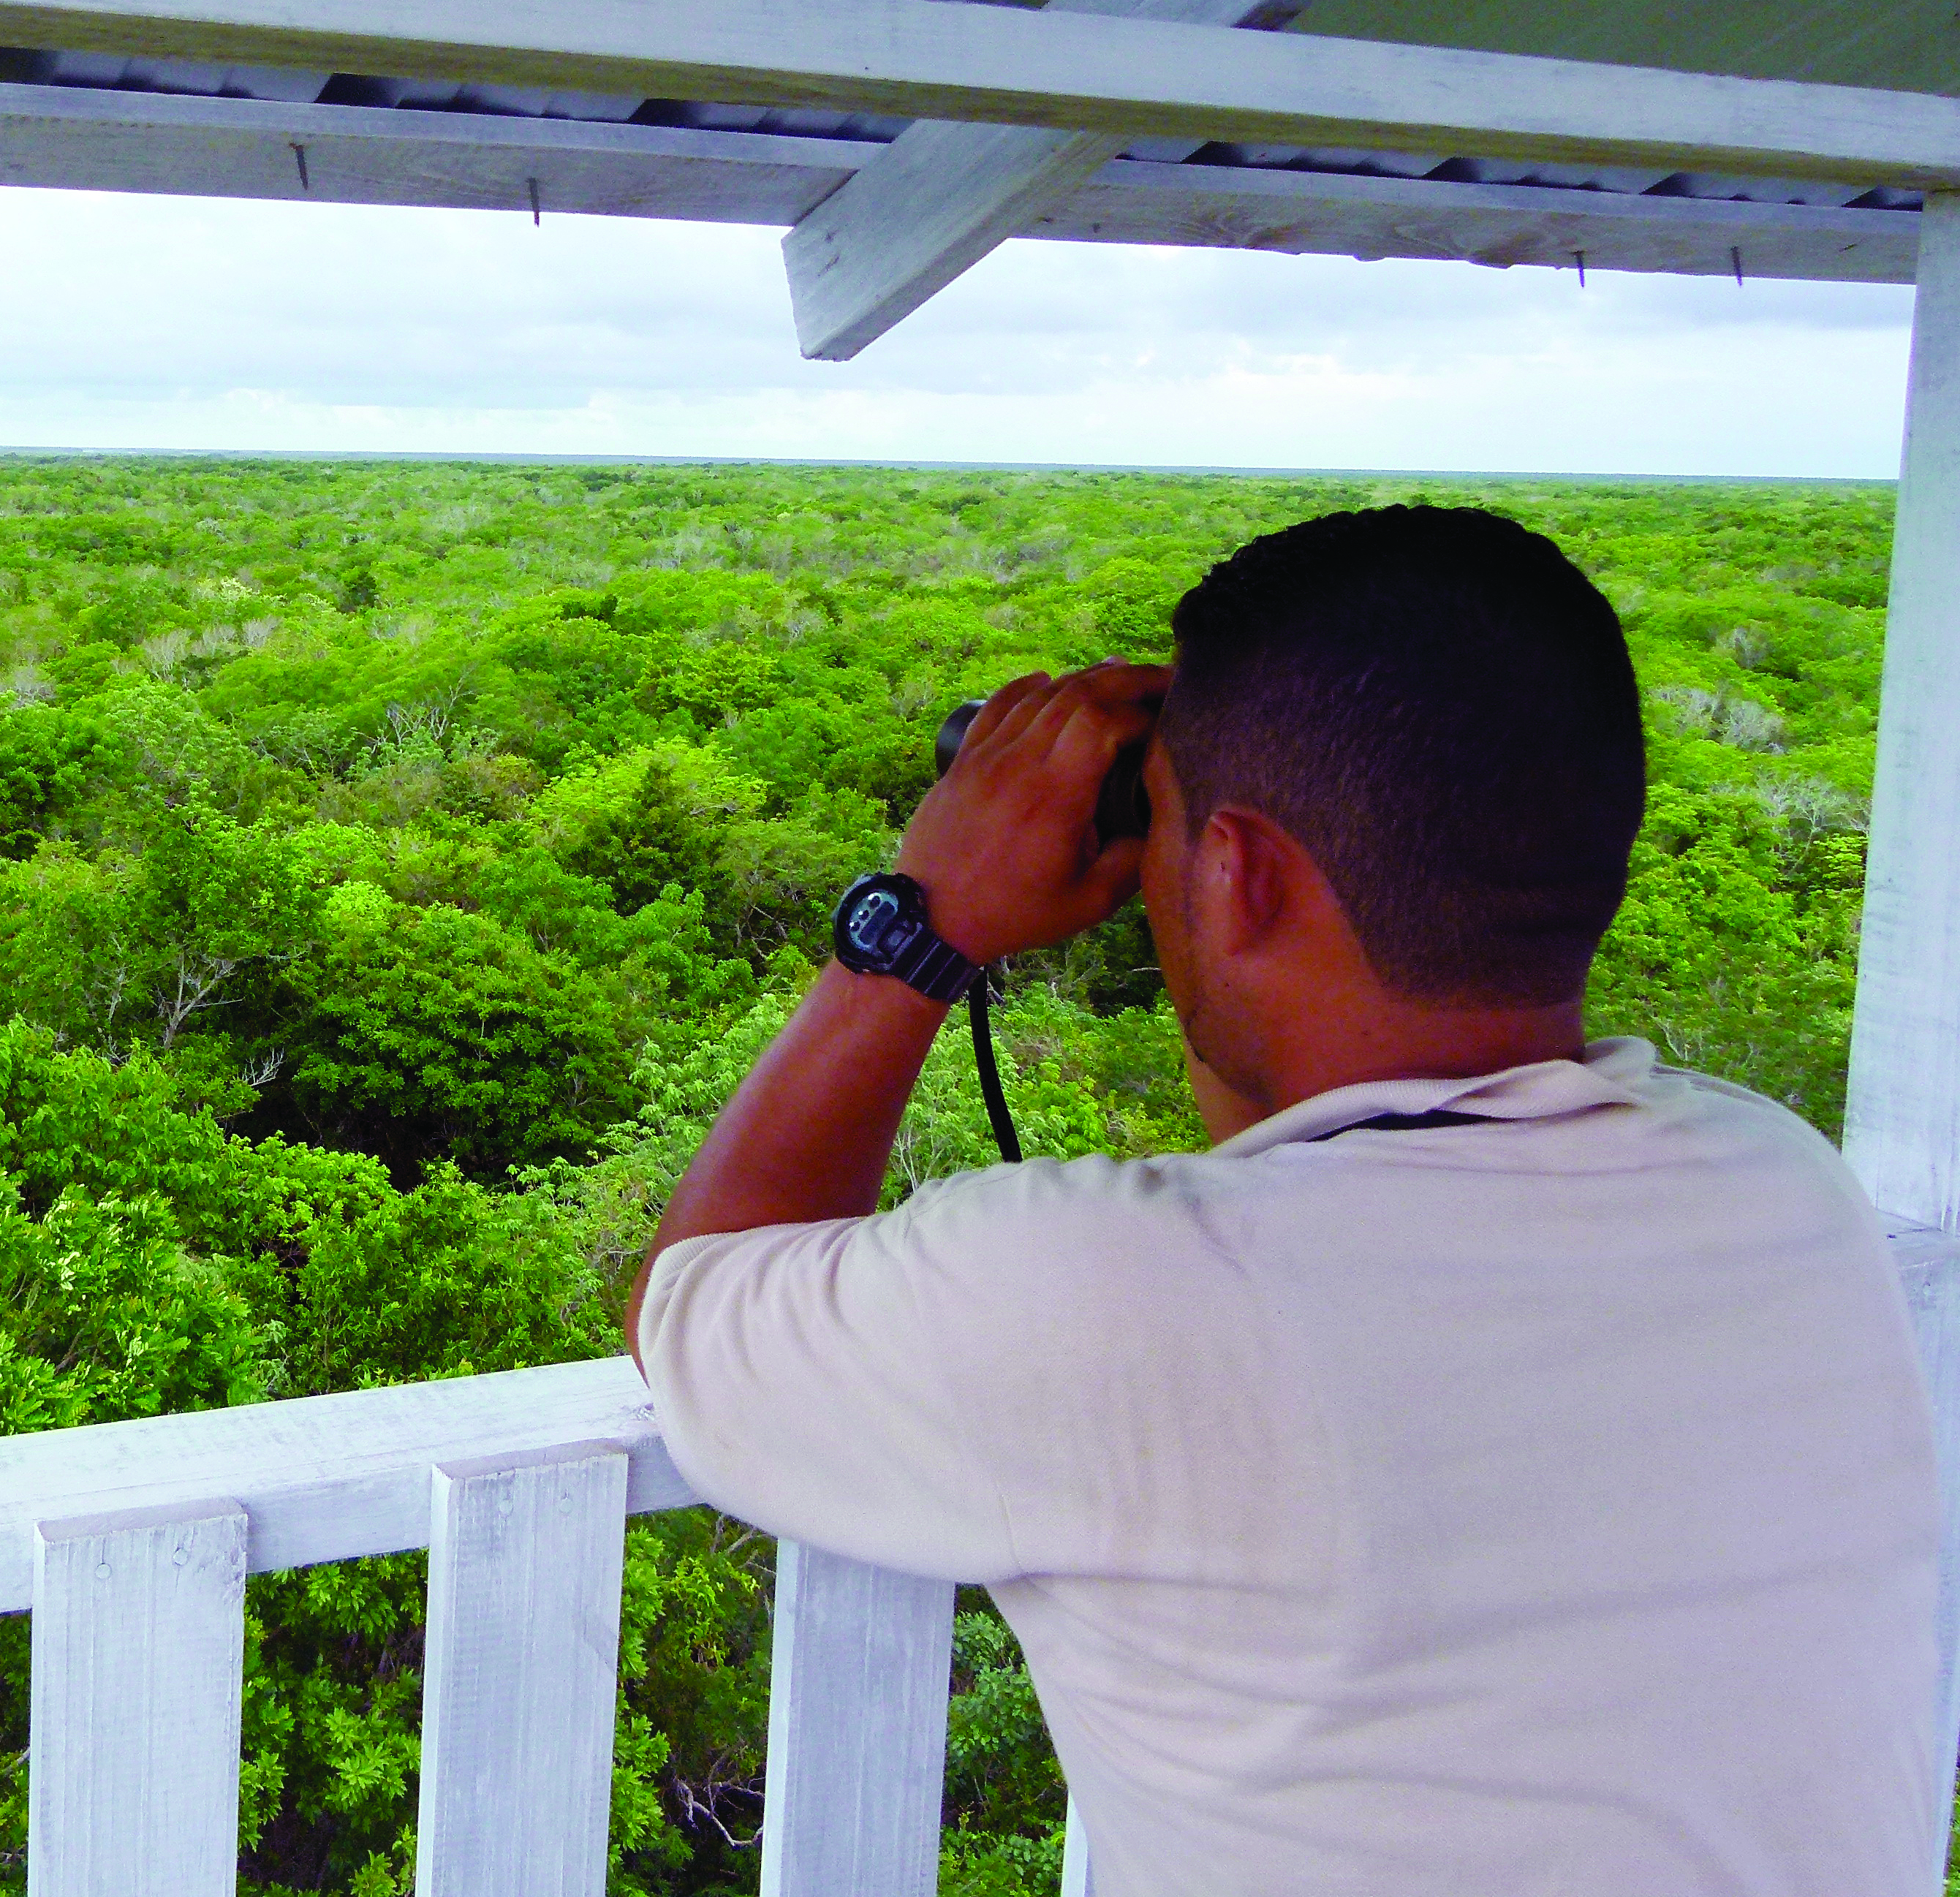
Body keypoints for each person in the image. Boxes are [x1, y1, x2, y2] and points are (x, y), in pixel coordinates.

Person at [626, 505, 1943, 1896]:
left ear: (1241, 871)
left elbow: (694, 1298)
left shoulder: (1124, 1293)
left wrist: (923, 918)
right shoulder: (1786, 1190)